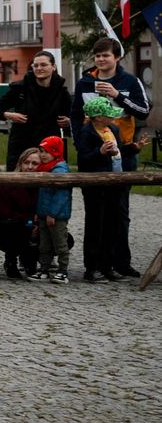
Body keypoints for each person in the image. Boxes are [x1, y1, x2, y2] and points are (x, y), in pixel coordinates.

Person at [72, 38, 150, 281]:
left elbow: (144, 110)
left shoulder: (129, 81)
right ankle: (95, 265)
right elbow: (75, 115)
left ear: (117, 57)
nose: (100, 59)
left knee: (119, 212)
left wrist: (118, 95)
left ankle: (119, 263)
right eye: (97, 56)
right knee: (96, 213)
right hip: (93, 156)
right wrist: (80, 143)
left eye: (105, 55)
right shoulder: (85, 82)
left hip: (121, 153)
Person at [0, 50, 68, 169]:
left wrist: (68, 121)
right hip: (21, 145)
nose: (39, 68)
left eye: (43, 65)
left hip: (49, 146)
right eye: (35, 65)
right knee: (18, 179)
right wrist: (9, 115)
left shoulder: (61, 91)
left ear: (53, 67)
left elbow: (72, 115)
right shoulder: (20, 88)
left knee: (50, 179)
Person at [0, 148, 44, 279]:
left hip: (37, 224)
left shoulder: (46, 185)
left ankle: (35, 261)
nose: (30, 167)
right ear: (20, 163)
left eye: (35, 163)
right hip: (10, 227)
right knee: (21, 228)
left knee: (63, 237)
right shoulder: (7, 184)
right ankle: (11, 261)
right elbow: (6, 212)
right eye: (26, 162)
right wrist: (30, 221)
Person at [29, 134, 72, 284]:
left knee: (60, 244)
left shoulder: (59, 171)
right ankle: (44, 269)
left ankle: (63, 271)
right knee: (44, 244)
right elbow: (42, 195)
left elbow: (61, 195)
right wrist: (39, 212)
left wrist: (52, 214)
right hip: (43, 214)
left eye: (47, 152)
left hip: (56, 216)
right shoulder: (45, 169)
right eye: (41, 151)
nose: (43, 155)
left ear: (56, 152)